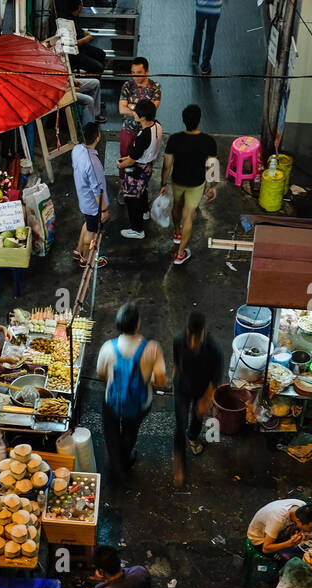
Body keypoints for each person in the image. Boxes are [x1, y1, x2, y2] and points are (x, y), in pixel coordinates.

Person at [97, 302, 165, 480]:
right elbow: (160, 381)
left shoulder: (107, 348)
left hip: (113, 401)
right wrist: (146, 378)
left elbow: (101, 375)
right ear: (138, 324)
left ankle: (115, 466)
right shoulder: (153, 349)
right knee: (130, 432)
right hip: (139, 403)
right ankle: (125, 459)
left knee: (111, 433)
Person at [172, 310, 225, 485]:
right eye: (191, 337)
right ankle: (179, 461)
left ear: (203, 332)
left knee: (197, 417)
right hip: (182, 388)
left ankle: (193, 438)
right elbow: (176, 364)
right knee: (180, 425)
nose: (193, 342)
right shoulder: (179, 340)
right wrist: (174, 382)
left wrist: (206, 400)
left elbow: (216, 378)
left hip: (202, 390)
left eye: (197, 337)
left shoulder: (214, 348)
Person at [161, 104, 217, 266]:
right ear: (199, 121)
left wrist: (163, 183)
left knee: (177, 205)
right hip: (196, 184)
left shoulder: (175, 139)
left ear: (183, 120)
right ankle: (180, 254)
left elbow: (167, 165)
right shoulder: (208, 141)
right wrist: (212, 186)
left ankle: (176, 232)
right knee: (188, 216)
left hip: (178, 180)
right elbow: (212, 166)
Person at [116, 99, 162, 240]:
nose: (133, 113)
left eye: (136, 112)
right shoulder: (157, 125)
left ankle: (137, 229)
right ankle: (145, 212)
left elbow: (132, 159)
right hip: (148, 167)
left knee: (131, 199)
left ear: (142, 117)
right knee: (143, 191)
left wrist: (120, 165)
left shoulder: (143, 136)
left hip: (138, 170)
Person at [72, 122, 109, 268]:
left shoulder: (76, 150)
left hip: (83, 198)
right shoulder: (93, 163)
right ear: (98, 137)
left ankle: (78, 251)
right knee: (92, 234)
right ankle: (86, 259)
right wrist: (104, 210)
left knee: (87, 224)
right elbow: (97, 191)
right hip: (93, 205)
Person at [118, 57, 162, 159]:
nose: (135, 76)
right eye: (133, 72)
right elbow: (122, 109)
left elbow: (150, 111)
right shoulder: (127, 85)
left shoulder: (155, 87)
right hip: (129, 130)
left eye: (138, 72)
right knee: (124, 158)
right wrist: (141, 110)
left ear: (147, 72)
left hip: (147, 132)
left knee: (145, 159)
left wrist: (131, 106)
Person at [247, 499, 312, 555]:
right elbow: (266, 549)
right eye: (310, 528)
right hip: (260, 539)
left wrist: (301, 531)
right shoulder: (278, 520)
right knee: (287, 557)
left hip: (276, 530)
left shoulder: (302, 506)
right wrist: (289, 543)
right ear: (298, 520)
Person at [191, 0, 223, 76]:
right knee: (210, 35)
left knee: (198, 30)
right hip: (214, 9)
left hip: (201, 8)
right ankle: (205, 66)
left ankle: (195, 57)